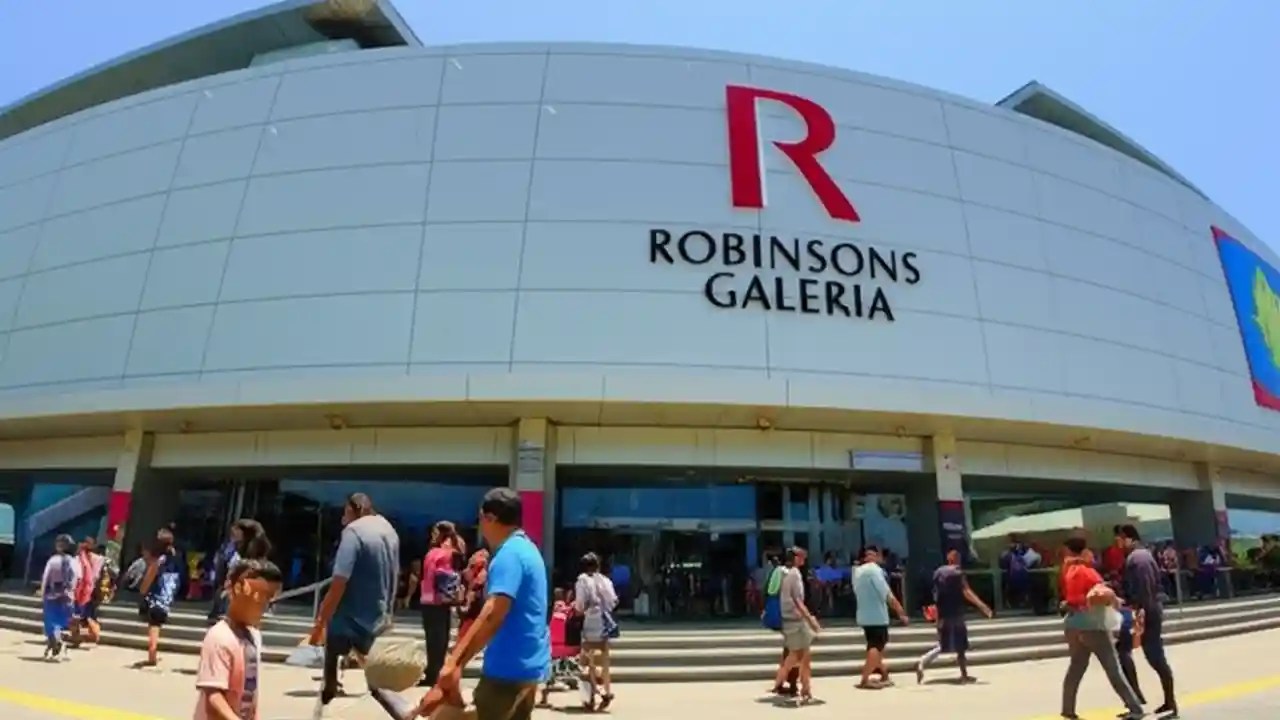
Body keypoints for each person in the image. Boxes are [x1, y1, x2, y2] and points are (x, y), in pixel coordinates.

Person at [414, 487, 550, 720]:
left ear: (490, 518)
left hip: (507, 670)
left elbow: (493, 612)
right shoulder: (528, 549)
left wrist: (453, 664)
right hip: (528, 665)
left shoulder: (509, 555)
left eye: (481, 518)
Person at [307, 493, 400, 719]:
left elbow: (340, 580)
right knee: (379, 679)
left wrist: (320, 620)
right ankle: (403, 713)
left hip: (349, 617)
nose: (342, 519)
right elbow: (395, 574)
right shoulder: (388, 530)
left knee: (331, 673)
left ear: (354, 510)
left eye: (345, 512)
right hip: (379, 614)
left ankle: (325, 703)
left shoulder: (353, 532)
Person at [1059, 537, 1143, 720]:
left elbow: (1071, 597)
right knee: (1113, 667)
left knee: (1076, 667)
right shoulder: (1088, 572)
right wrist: (1115, 601)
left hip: (1073, 624)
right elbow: (1101, 593)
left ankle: (1068, 709)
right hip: (1093, 624)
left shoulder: (1068, 571)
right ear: (1083, 552)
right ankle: (1135, 708)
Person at [194, 559, 283, 720]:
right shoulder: (219, 637)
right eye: (263, 597)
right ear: (238, 588)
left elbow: (250, 693)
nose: (266, 607)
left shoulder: (254, 636)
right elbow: (213, 697)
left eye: (271, 600)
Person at [1119, 524, 1178, 718]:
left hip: (1147, 610)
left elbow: (1144, 586)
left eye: (1119, 540)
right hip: (1148, 608)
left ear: (1127, 538)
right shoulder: (1141, 555)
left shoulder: (1137, 557)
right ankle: (1166, 700)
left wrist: (1140, 612)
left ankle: (1164, 701)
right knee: (1152, 654)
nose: (1118, 544)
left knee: (1153, 655)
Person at [915, 549, 992, 684]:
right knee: (961, 646)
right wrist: (983, 606)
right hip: (956, 613)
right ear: (956, 560)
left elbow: (935, 594)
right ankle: (964, 675)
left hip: (943, 613)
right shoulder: (958, 573)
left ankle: (923, 661)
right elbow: (966, 591)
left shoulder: (938, 573)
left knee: (943, 644)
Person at [853, 545, 908, 689]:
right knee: (876, 646)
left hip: (864, 614)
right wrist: (900, 611)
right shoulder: (875, 571)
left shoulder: (857, 572)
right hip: (877, 615)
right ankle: (865, 679)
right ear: (877, 557)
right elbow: (886, 593)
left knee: (875, 646)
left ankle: (884, 673)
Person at [772, 546, 820, 704]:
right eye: (802, 556)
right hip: (795, 621)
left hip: (791, 620)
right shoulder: (794, 574)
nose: (804, 559)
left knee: (801, 656)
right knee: (799, 656)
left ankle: (804, 689)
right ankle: (789, 685)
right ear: (796, 558)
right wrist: (810, 619)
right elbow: (798, 600)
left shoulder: (788, 573)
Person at [420, 521, 466, 688]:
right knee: (438, 639)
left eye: (434, 532)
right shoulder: (448, 551)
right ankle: (434, 672)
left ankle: (434, 673)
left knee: (435, 640)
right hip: (437, 600)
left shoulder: (442, 552)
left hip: (434, 600)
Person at [574, 551, 619, 711]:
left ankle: (593, 695)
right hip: (604, 624)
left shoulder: (582, 580)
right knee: (604, 661)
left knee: (588, 661)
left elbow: (579, 605)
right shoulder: (605, 580)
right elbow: (613, 601)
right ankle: (607, 690)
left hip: (590, 623)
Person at [138, 527, 183, 668]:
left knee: (154, 626)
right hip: (167, 598)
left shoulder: (159, 561)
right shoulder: (175, 558)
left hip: (155, 596)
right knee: (156, 624)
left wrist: (142, 591)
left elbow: (150, 576)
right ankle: (153, 653)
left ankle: (152, 653)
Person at [40, 534, 79, 661]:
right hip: (67, 597)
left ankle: (56, 643)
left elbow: (45, 578)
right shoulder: (74, 561)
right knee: (62, 621)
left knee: (51, 621)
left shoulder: (53, 560)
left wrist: (42, 593)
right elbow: (79, 578)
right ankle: (58, 644)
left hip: (51, 596)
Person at [69, 535, 106, 647]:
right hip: (94, 592)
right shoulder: (100, 559)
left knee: (79, 617)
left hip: (81, 592)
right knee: (87, 617)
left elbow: (77, 575)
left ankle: (81, 637)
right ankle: (91, 635)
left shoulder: (79, 558)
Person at [457, 549, 490, 644]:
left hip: (475, 599)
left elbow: (478, 583)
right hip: (470, 598)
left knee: (470, 622)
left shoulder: (482, 572)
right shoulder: (471, 570)